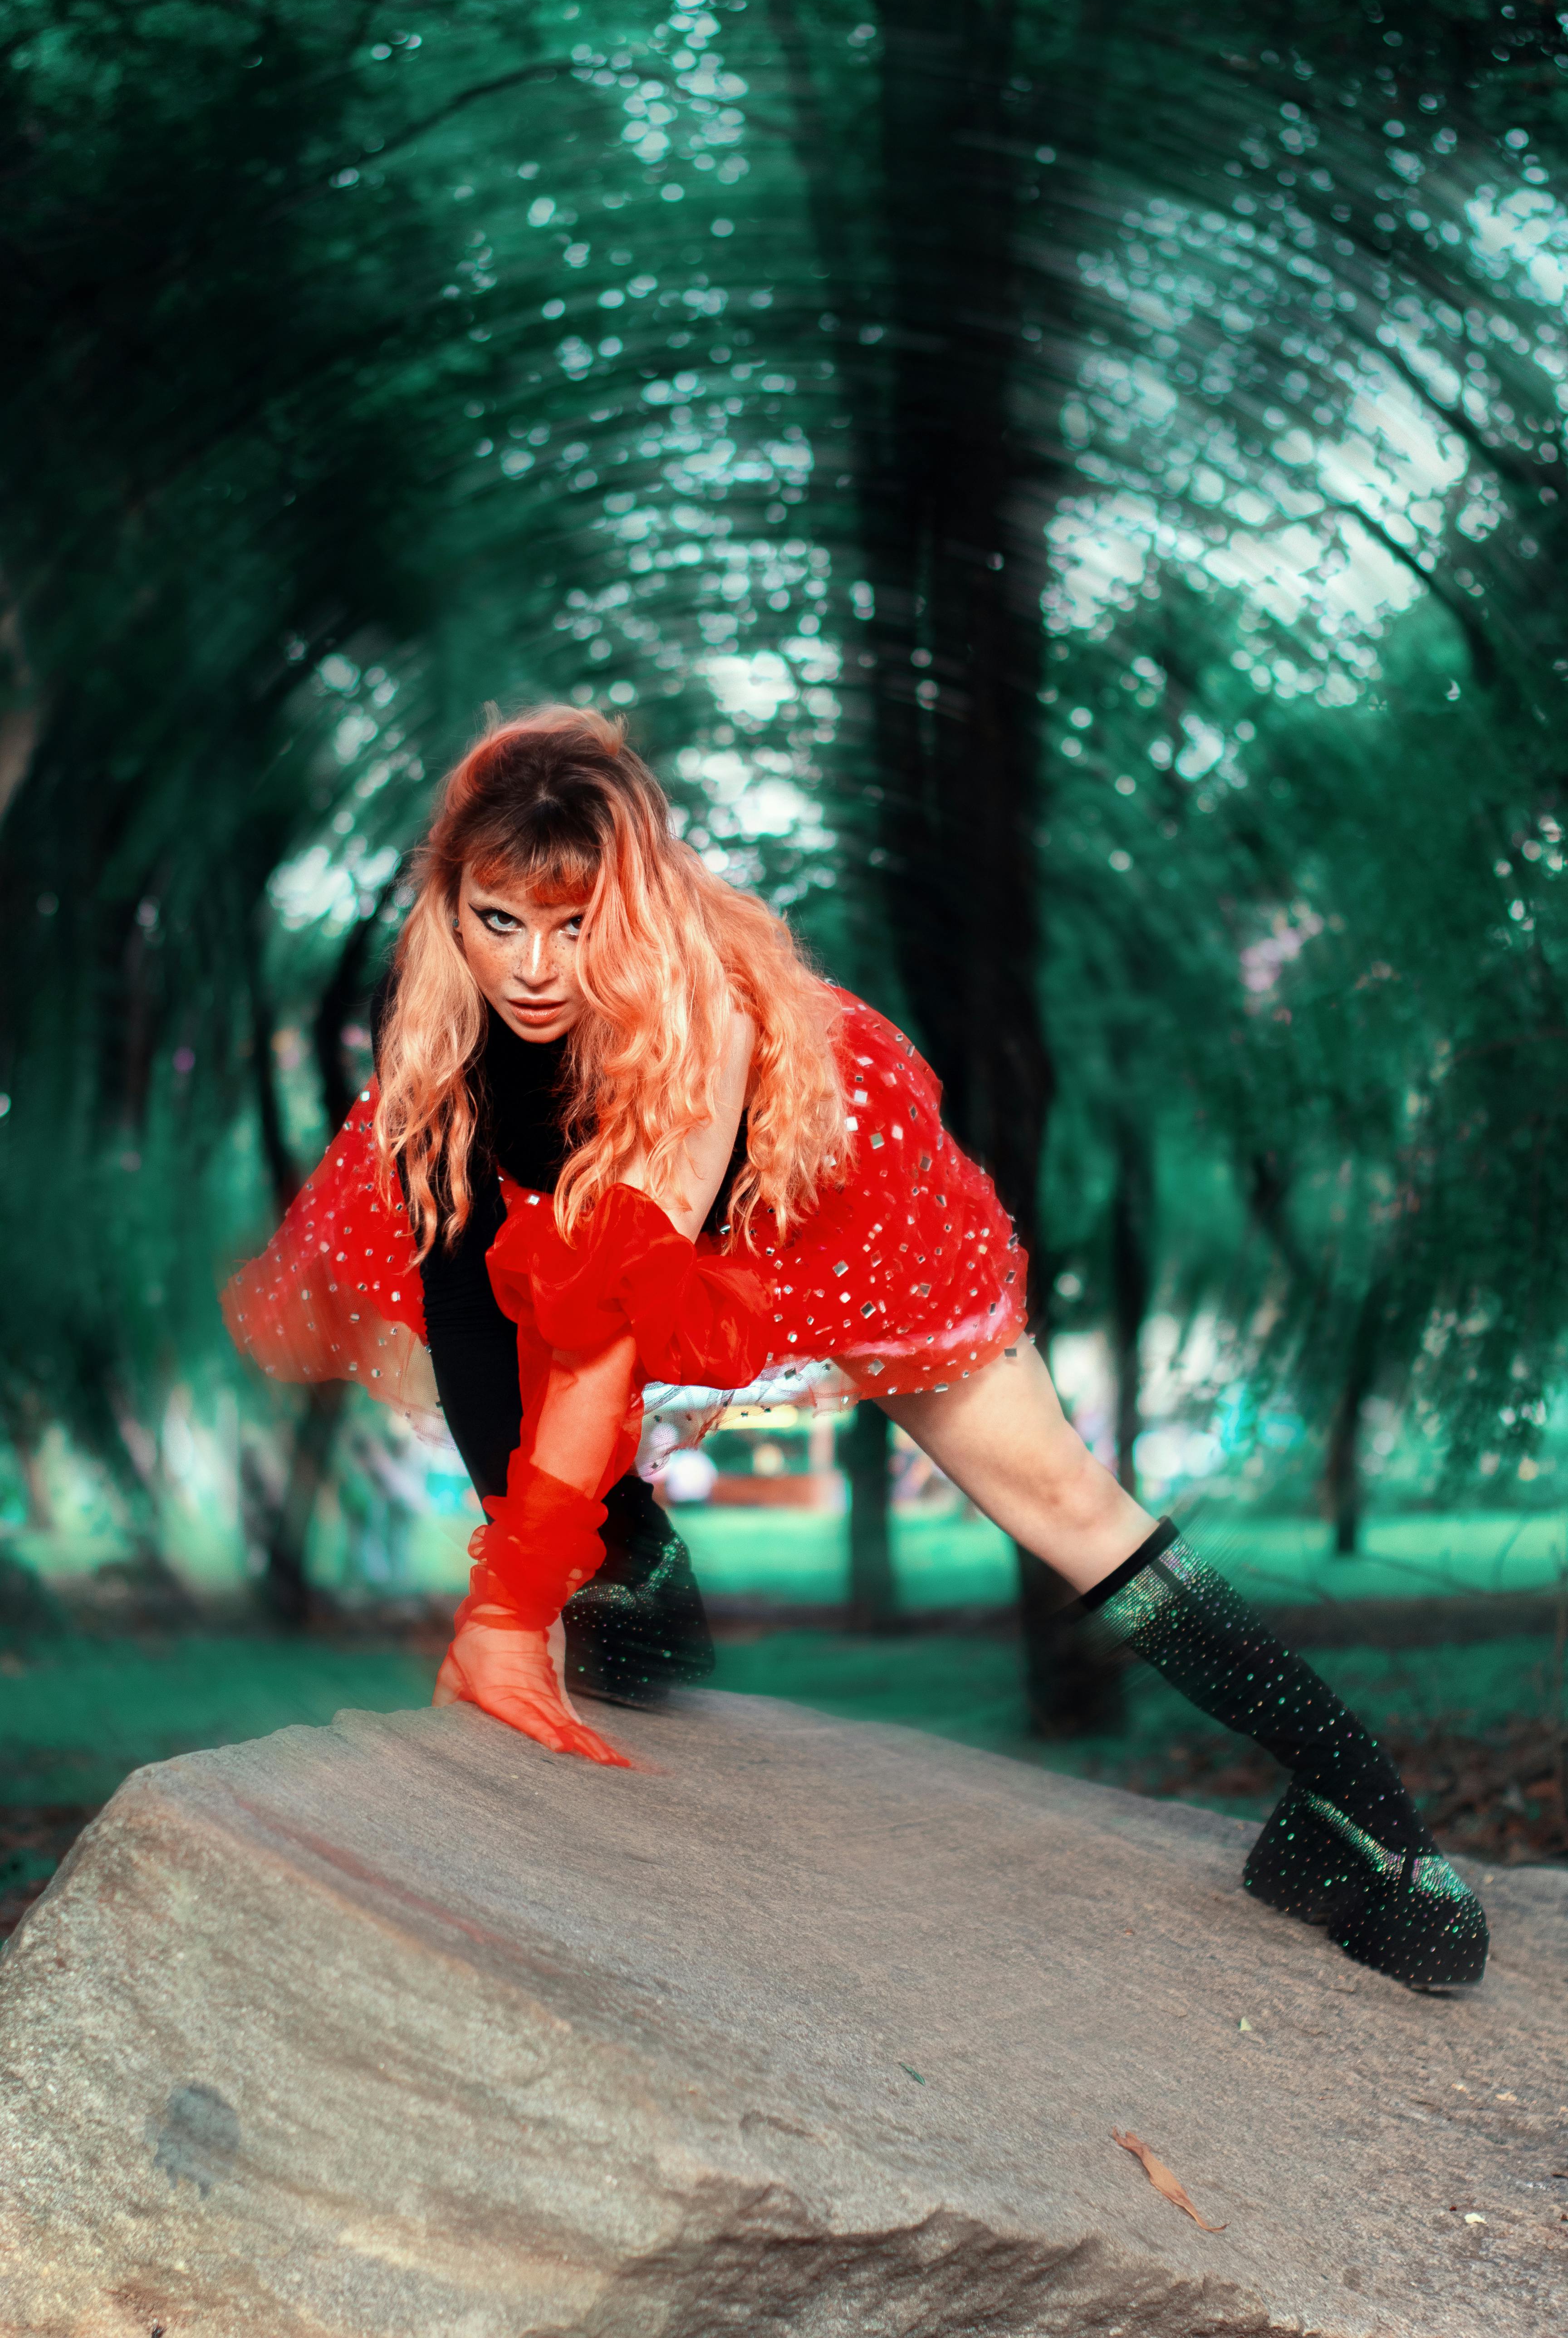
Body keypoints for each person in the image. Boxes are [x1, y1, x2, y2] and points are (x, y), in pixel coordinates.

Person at [225, 706, 1487, 1992]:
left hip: (838, 1199)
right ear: (452, 908)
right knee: (453, 1312)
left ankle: (1372, 1826)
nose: (538, 968)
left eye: (580, 922)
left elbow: (607, 1333)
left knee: (1061, 1495)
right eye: (502, 922)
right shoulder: (443, 1028)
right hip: (617, 1246)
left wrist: (505, 1610)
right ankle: (640, 1567)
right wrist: (520, 1585)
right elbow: (468, 1299)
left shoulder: (696, 1016)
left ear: (644, 905)